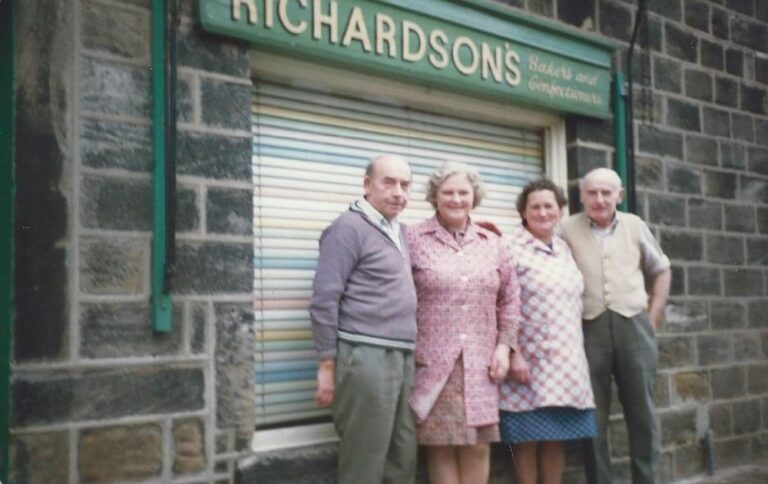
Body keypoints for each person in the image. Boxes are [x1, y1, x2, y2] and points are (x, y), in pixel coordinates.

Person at [407, 162, 521, 484]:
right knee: (440, 446)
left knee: (478, 446)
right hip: (433, 362)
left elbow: (510, 299)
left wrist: (504, 347)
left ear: (474, 196)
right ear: (435, 196)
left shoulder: (493, 242)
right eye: (448, 192)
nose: (456, 199)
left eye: (463, 192)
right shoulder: (413, 238)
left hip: (481, 361)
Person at [309, 154, 418, 484]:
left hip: (404, 353)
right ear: (367, 185)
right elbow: (324, 299)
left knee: (403, 451)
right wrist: (327, 365)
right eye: (390, 182)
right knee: (366, 456)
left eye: (405, 185)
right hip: (366, 353)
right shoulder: (347, 228)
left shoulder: (399, 230)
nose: (399, 192)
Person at [560, 168, 671, 484]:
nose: (599, 199)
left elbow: (661, 269)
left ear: (618, 196)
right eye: (592, 192)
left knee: (643, 414)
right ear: (581, 195)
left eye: (606, 193)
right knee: (592, 417)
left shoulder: (634, 226)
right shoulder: (566, 228)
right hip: (587, 327)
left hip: (633, 325)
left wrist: (653, 316)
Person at [499, 179, 596, 484]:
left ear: (560, 210)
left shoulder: (564, 248)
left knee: (556, 437)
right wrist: (514, 353)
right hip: (528, 359)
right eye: (535, 206)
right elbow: (499, 303)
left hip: (566, 363)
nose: (543, 212)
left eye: (549, 206)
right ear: (523, 212)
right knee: (526, 439)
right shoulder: (508, 247)